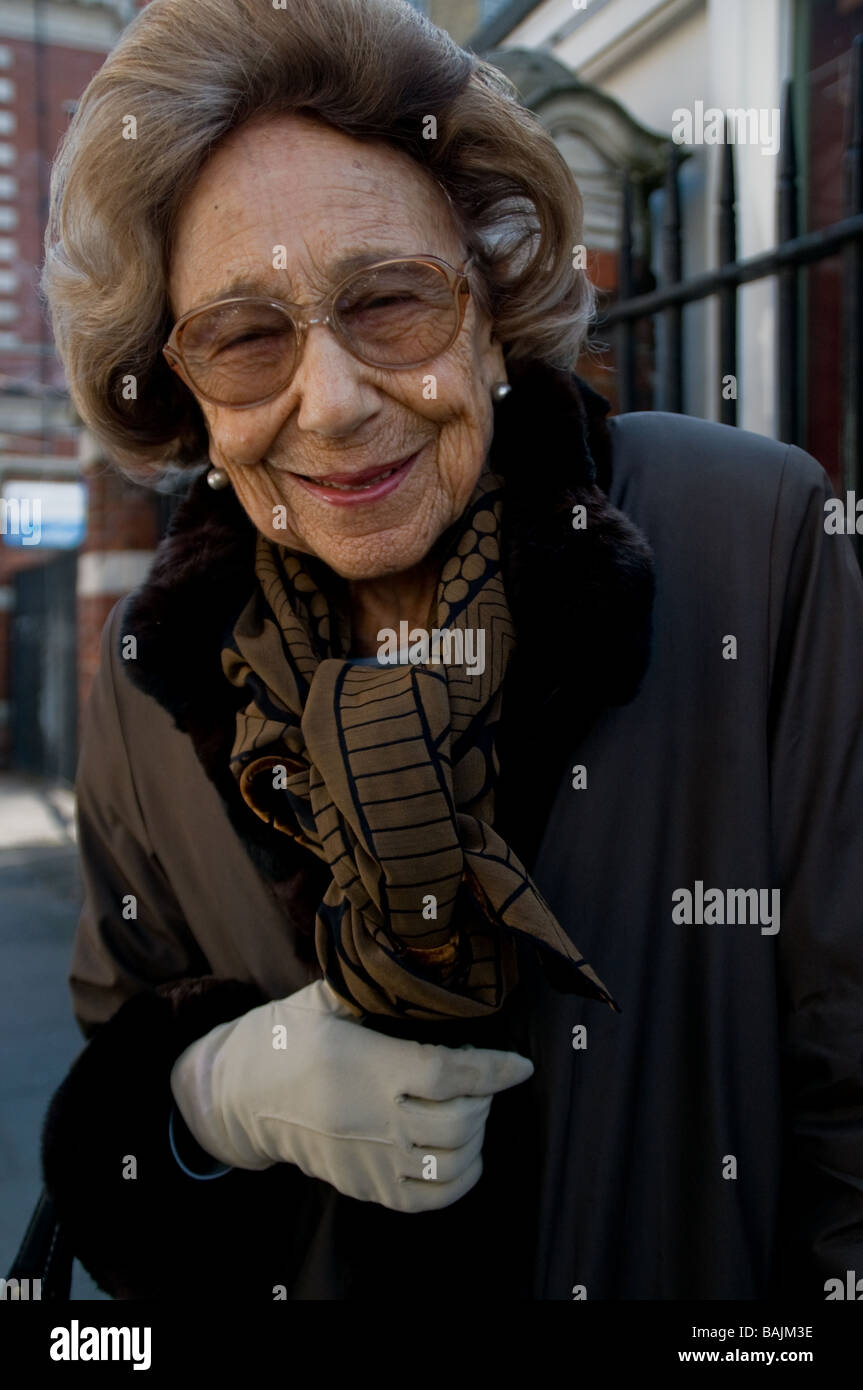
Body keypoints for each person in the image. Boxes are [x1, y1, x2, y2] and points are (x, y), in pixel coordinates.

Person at [39, 0, 863, 1301]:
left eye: (390, 301)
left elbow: (851, 1094)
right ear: (181, 379)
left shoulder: (751, 542)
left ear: (489, 303)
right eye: (247, 338)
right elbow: (121, 1139)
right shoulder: (155, 675)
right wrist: (215, 1095)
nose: (335, 400)